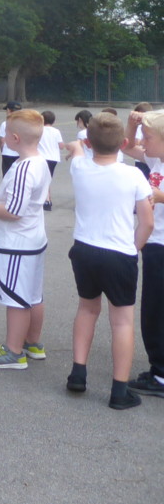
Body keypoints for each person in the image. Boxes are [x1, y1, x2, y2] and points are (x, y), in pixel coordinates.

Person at [60, 112, 154, 409]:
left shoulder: (80, 167)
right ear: (124, 143)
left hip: (84, 248)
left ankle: (78, 372)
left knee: (87, 309)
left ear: (89, 142)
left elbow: (77, 149)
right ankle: (119, 390)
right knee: (122, 321)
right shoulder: (133, 175)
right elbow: (147, 222)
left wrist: (79, 145)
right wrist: (133, 248)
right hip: (118, 253)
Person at [0, 108, 50, 370]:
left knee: (16, 298)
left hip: (18, 243)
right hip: (32, 239)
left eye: (6, 133)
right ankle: (33, 343)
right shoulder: (39, 161)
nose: (3, 136)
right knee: (33, 294)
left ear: (16, 138)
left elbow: (13, 212)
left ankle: (14, 351)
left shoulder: (23, 168)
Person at [125, 110, 164, 398]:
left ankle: (160, 373)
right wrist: (133, 124)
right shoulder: (154, 159)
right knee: (153, 307)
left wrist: (160, 195)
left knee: (155, 310)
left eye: (148, 137)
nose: (143, 141)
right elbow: (126, 146)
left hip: (161, 246)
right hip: (154, 243)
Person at [38, 110, 65, 211]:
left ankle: (46, 200)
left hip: (41, 157)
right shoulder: (56, 131)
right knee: (47, 178)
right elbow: (61, 146)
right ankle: (48, 199)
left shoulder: (39, 130)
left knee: (43, 179)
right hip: (53, 158)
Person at [0, 101, 22, 176]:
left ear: (9, 110)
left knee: (7, 174)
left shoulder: (5, 123)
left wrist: (2, 150)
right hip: (20, 153)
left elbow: (2, 140)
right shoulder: (24, 123)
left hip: (8, 153)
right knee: (18, 174)